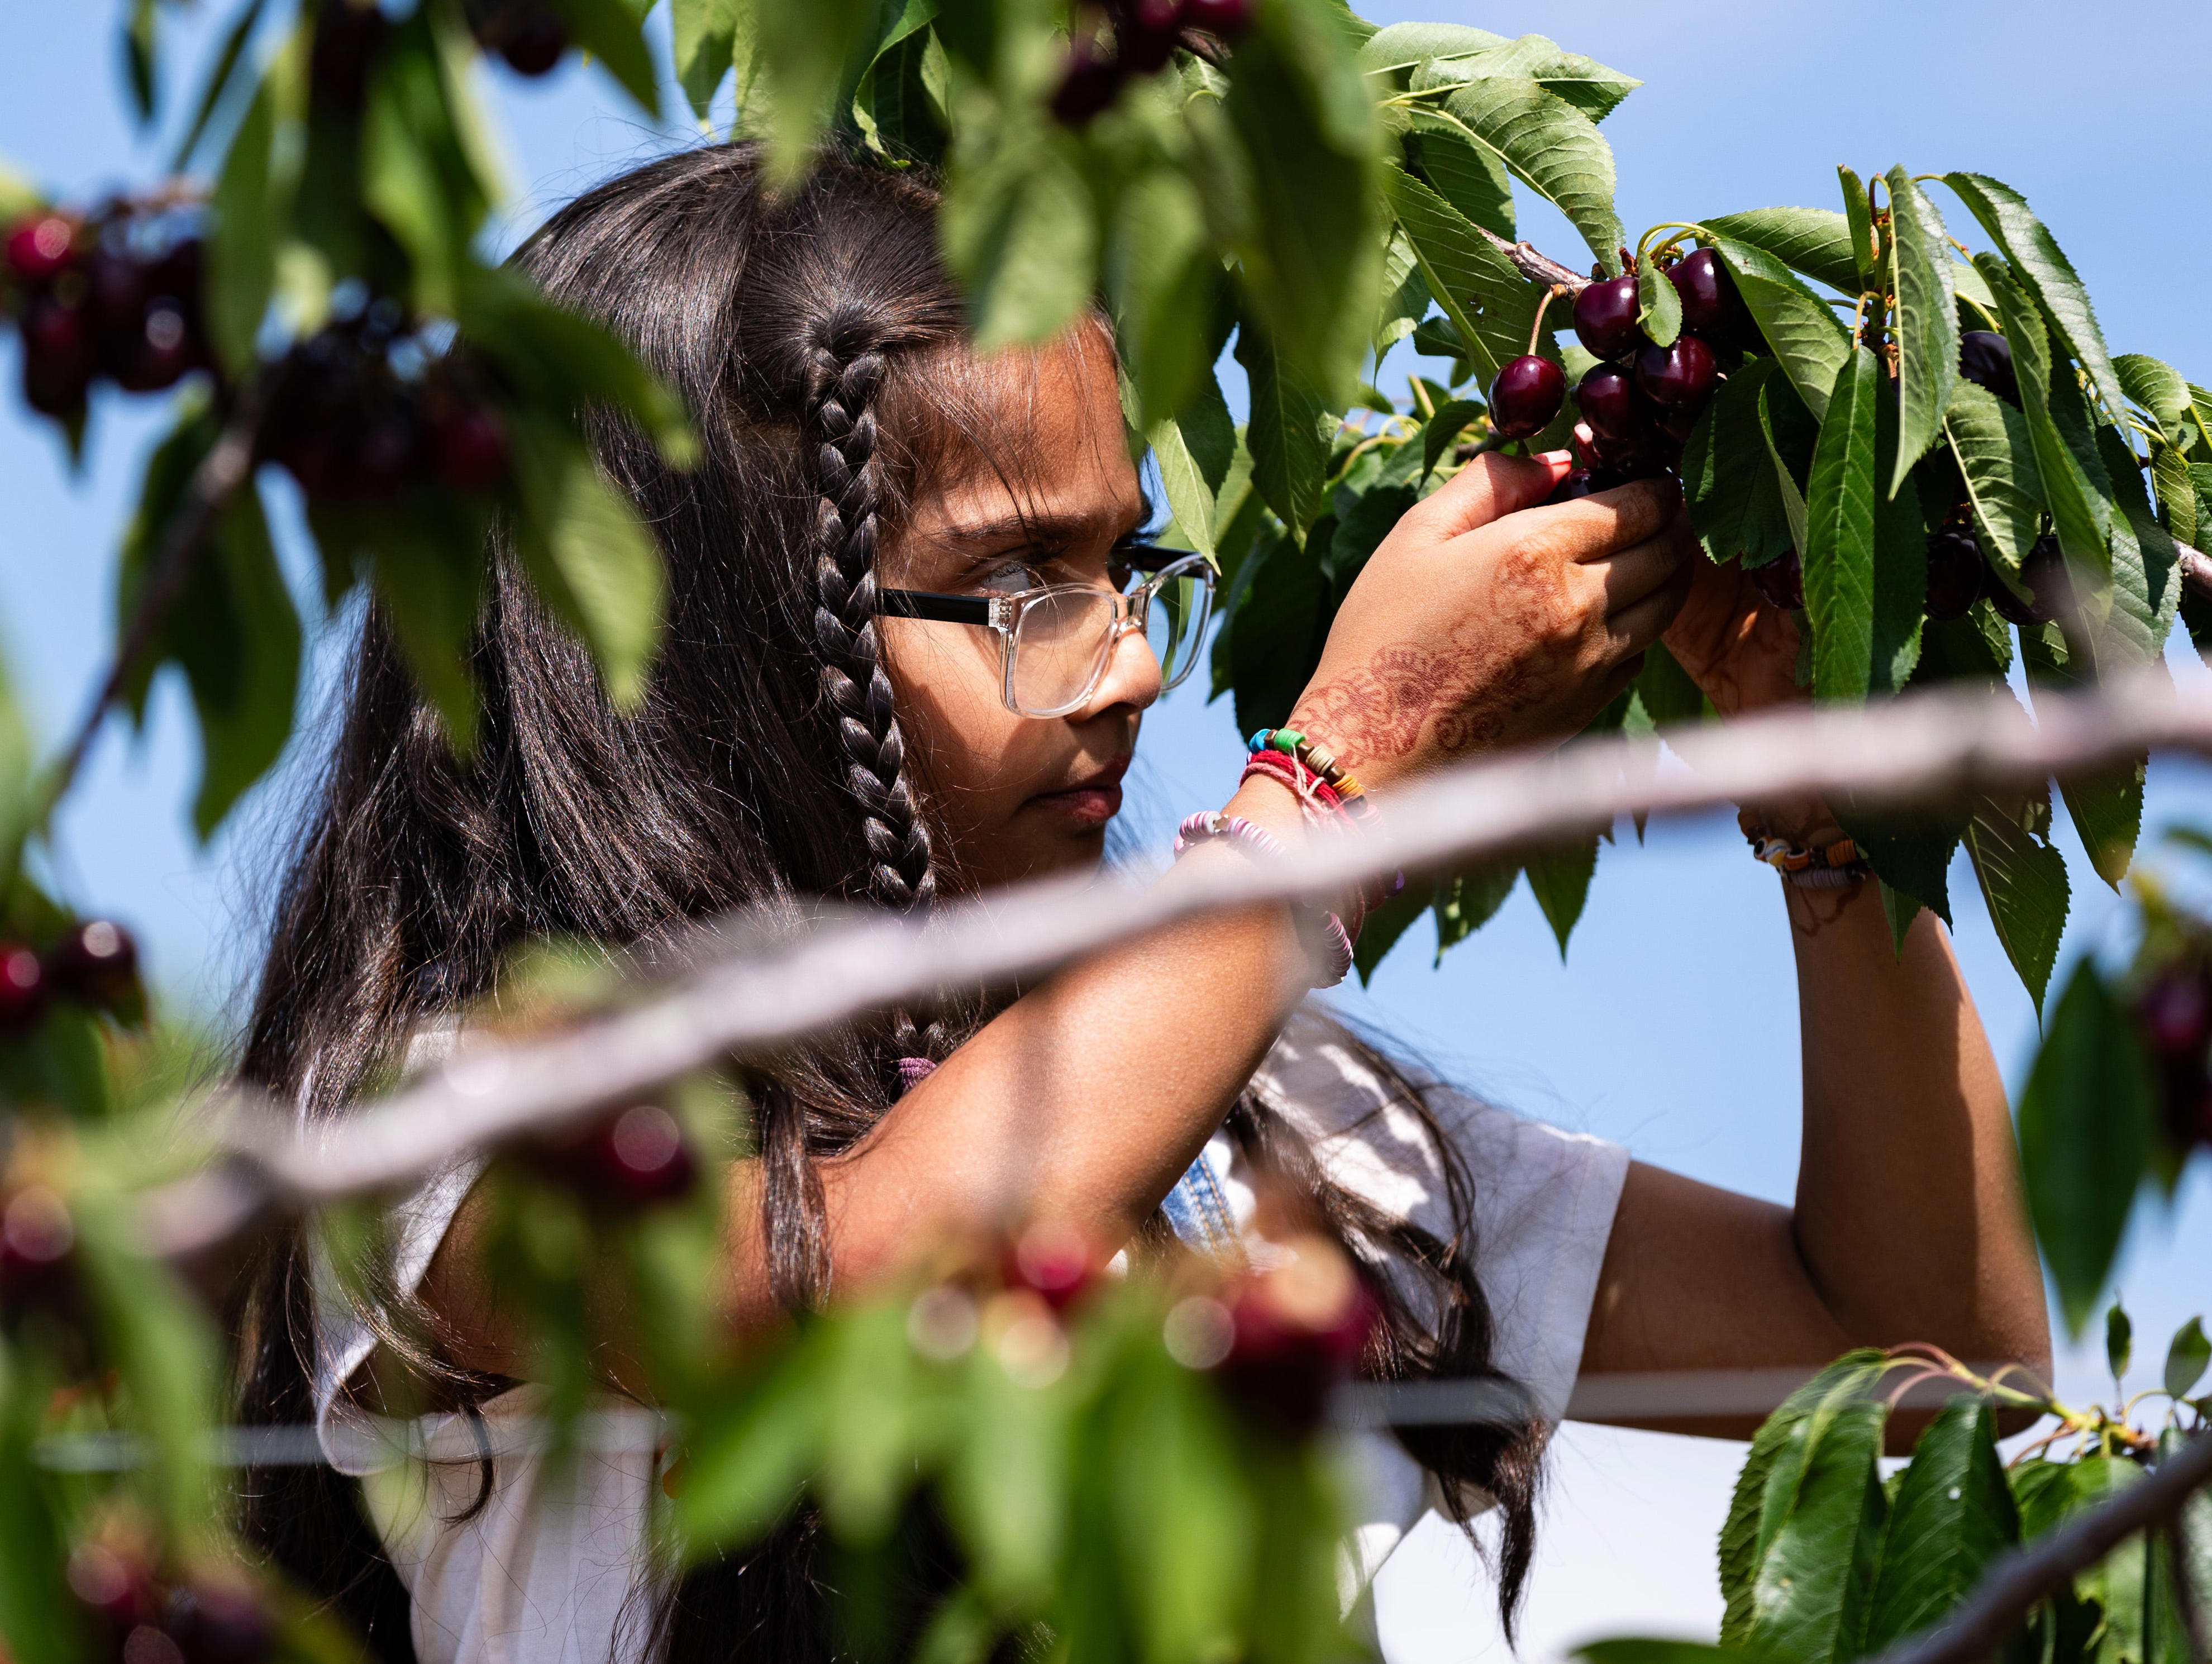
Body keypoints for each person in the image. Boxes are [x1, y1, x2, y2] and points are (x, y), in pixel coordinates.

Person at [231, 142, 2049, 1664]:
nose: (1131, 666)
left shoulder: (1288, 1134)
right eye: (1021, 584)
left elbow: (1932, 1359)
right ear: (720, 641)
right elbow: (855, 1273)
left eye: (1128, 566)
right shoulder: (449, 1128)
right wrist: (1345, 773)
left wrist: (1825, 803)